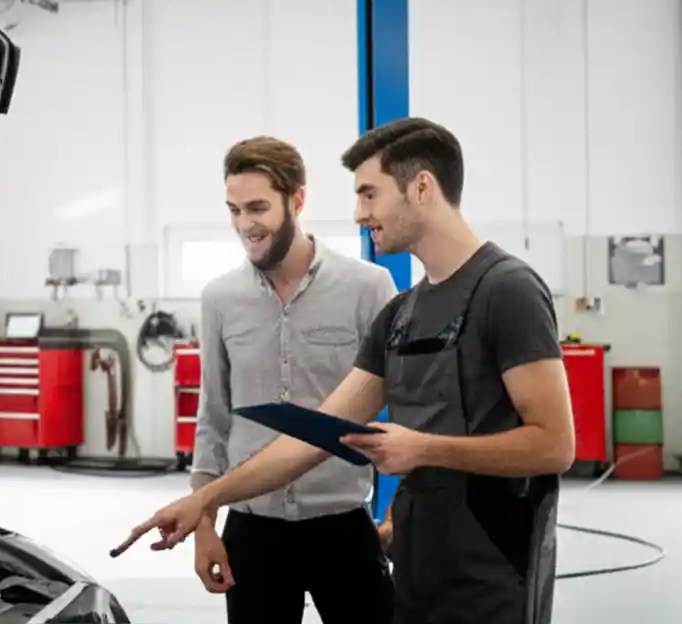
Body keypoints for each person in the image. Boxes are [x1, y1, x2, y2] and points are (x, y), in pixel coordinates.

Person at [112, 118, 576, 624]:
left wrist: (421, 449)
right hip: (420, 563)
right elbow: (314, 435)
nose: (359, 214)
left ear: (421, 187)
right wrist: (204, 502)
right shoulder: (404, 314)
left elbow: (555, 445)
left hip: (490, 569)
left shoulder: (507, 289)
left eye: (369, 195)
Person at [190, 136, 398, 624]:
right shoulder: (219, 298)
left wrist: (400, 513)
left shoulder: (368, 288)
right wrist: (204, 524)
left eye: (258, 207)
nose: (245, 224)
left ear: (297, 200)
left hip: (343, 527)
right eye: (234, 209)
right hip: (252, 530)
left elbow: (405, 409)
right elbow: (214, 419)